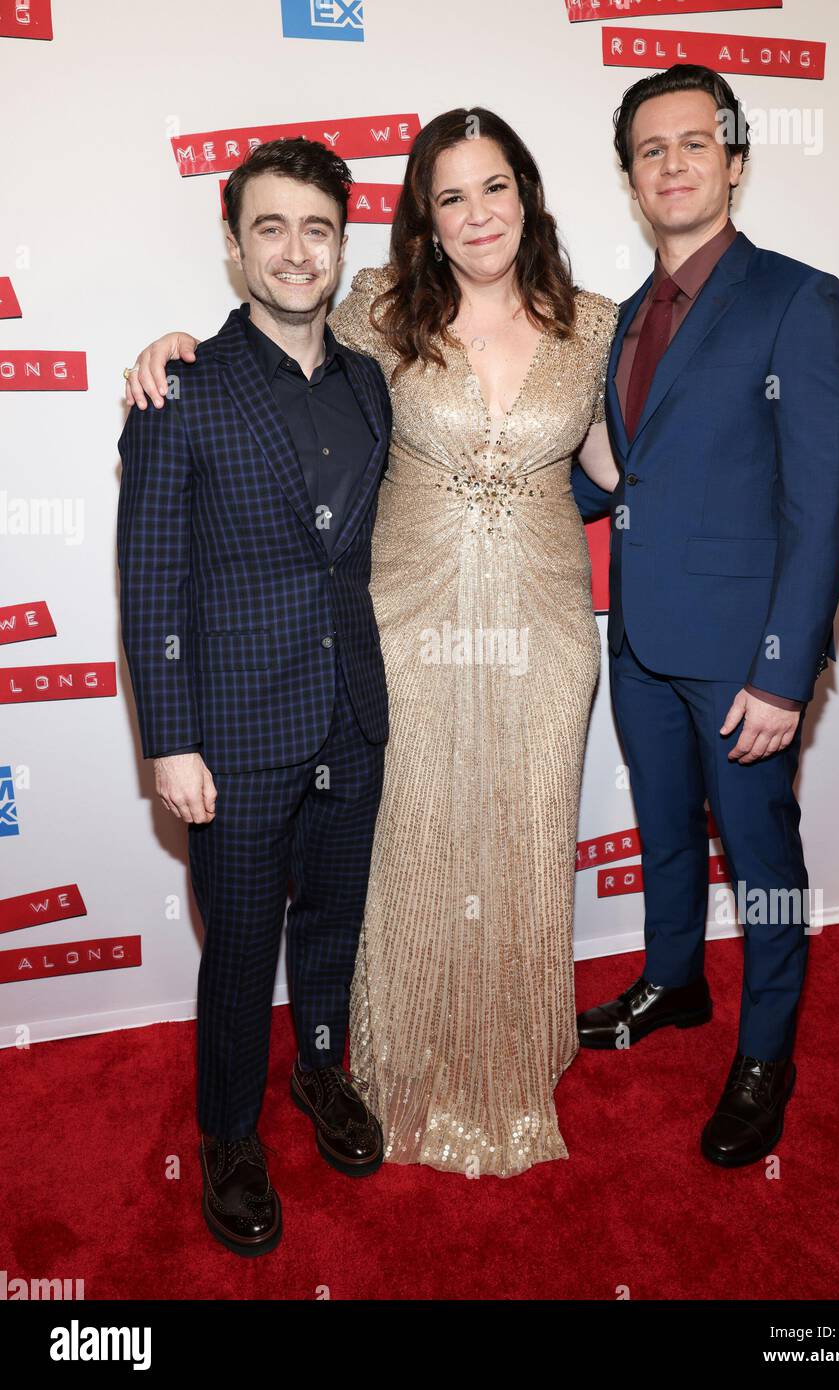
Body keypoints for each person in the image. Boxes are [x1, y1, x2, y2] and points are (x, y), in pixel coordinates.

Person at [124, 109, 619, 1177]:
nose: (477, 212)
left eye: (495, 188)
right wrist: (167, 349)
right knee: (258, 934)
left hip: (457, 662)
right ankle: (232, 1139)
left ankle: (340, 1066)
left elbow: (622, 464)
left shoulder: (573, 330)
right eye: (450, 195)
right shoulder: (349, 329)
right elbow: (153, 570)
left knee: (370, 908)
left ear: (527, 195)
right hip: (351, 665)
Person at [570, 64, 839, 1167]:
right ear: (631, 177)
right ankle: (675, 982)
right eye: (651, 149)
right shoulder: (626, 317)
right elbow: (613, 477)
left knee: (763, 857)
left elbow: (819, 499)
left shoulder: (798, 297)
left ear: (735, 161)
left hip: (745, 653)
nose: (673, 164)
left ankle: (766, 1050)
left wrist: (785, 671)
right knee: (660, 835)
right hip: (640, 640)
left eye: (696, 143)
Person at [117, 138, 392, 1256]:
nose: (294, 249)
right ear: (235, 248)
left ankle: (319, 1070)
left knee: (331, 928)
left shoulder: (370, 380)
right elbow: (150, 577)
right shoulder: (179, 385)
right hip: (233, 731)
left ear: (340, 243)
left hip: (353, 713)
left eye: (316, 228)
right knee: (238, 942)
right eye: (269, 227)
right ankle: (229, 1134)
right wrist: (169, 744)